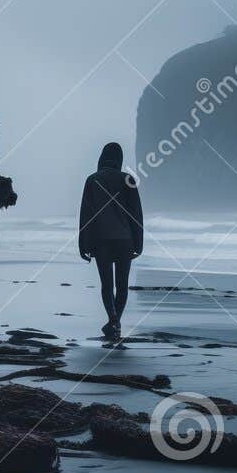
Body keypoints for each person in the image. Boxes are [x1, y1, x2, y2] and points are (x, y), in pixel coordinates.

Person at [78, 141, 143, 339]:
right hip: (125, 240)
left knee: (107, 285)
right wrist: (138, 244)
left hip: (101, 240)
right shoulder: (128, 180)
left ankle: (112, 318)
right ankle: (116, 322)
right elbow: (136, 216)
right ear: (119, 159)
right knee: (122, 285)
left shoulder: (92, 180)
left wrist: (83, 244)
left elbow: (86, 215)